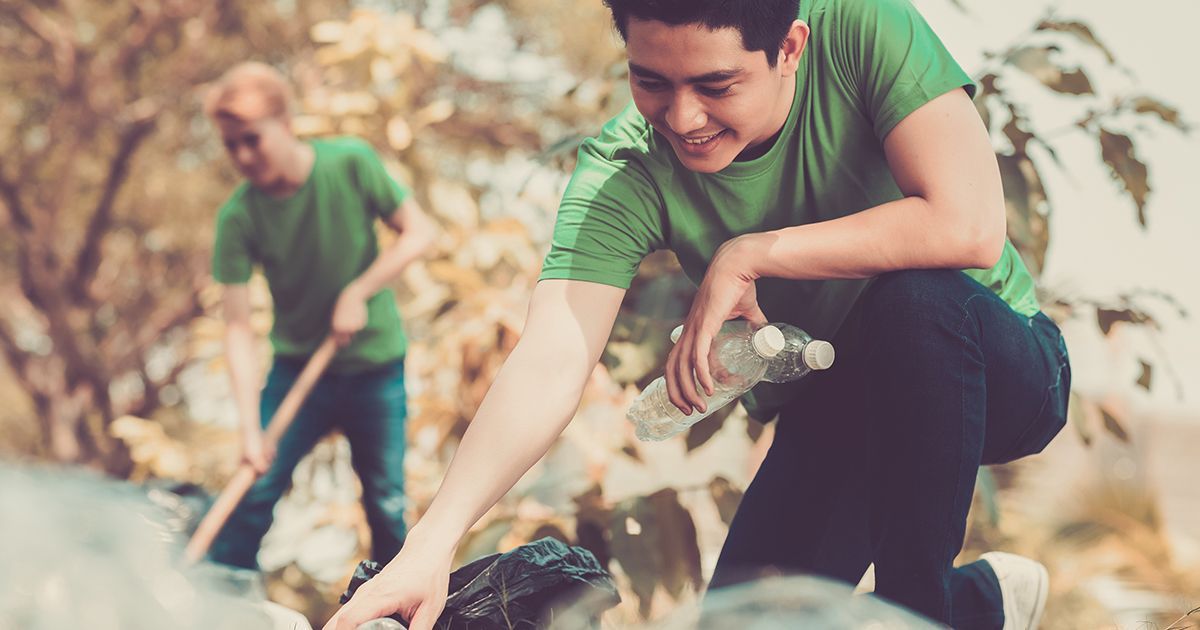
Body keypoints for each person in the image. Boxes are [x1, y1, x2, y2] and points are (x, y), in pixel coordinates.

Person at [326, 0, 1070, 628]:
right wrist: (430, 544)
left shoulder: (860, 25)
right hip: (839, 411)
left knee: (912, 300)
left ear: (789, 48)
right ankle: (980, 603)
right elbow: (552, 357)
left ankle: (923, 615)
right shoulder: (626, 169)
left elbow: (968, 224)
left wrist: (749, 254)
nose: (683, 118)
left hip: (993, 367)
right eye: (651, 81)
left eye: (717, 84)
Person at [204, 62, 436, 571]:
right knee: (252, 496)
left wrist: (359, 290)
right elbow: (237, 328)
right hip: (297, 374)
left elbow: (419, 232)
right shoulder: (239, 217)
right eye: (231, 145)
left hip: (375, 368)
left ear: (285, 123)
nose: (243, 156)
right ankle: (220, 599)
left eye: (252, 139)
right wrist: (250, 429)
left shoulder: (350, 163)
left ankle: (393, 608)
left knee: (386, 506)